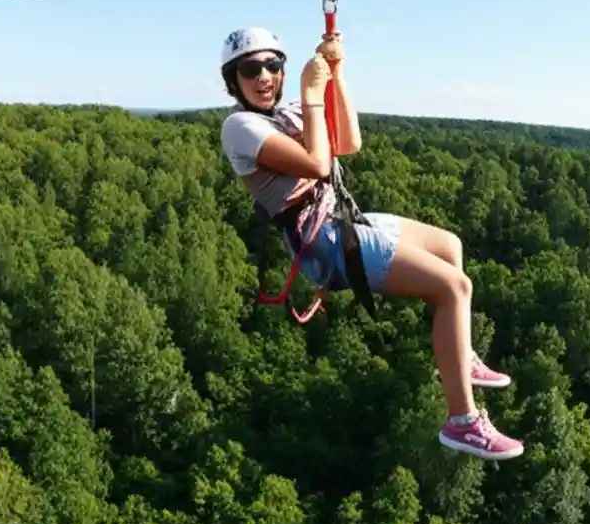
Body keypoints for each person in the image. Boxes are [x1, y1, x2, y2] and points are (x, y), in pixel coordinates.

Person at [217, 26, 524, 461]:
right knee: (456, 288)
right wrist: (310, 93)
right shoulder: (240, 127)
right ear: (234, 80)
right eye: (251, 69)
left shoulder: (286, 115)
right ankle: (463, 423)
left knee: (449, 246)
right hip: (321, 239)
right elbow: (319, 164)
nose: (264, 75)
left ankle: (459, 356)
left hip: (341, 218)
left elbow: (348, 142)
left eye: (273, 65)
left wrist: (337, 73)